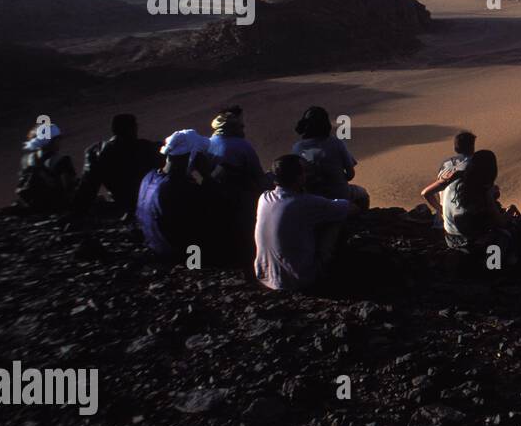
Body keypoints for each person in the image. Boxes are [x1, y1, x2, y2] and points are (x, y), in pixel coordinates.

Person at [254, 154, 356, 291]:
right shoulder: (305, 203)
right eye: (305, 172)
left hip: (264, 276)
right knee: (335, 219)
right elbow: (349, 208)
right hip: (299, 281)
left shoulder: (264, 198)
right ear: (299, 177)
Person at [440, 149, 521, 264]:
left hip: (450, 237)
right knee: (505, 234)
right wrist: (511, 209)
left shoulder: (457, 177)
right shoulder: (482, 190)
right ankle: (493, 267)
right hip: (468, 241)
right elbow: (501, 222)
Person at [135, 130, 213, 261]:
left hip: (154, 244)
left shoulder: (149, 177)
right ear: (192, 156)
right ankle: (196, 263)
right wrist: (206, 176)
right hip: (177, 253)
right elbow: (206, 212)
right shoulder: (179, 187)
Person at [206, 106, 268, 263]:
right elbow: (257, 175)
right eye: (240, 125)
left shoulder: (208, 143)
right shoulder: (242, 145)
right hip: (241, 197)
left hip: (215, 196)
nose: (243, 128)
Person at [72, 114, 162, 217]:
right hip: (147, 205)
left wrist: (77, 213)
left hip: (121, 205)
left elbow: (87, 189)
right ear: (134, 128)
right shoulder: (147, 148)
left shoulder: (98, 152)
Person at [292, 106, 370, 209]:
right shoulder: (337, 143)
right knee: (363, 194)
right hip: (340, 195)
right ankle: (359, 217)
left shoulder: (297, 148)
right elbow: (351, 174)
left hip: (313, 198)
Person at [16, 122, 78, 213]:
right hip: (56, 206)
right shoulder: (62, 160)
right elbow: (69, 188)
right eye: (58, 139)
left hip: (33, 205)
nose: (60, 142)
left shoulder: (26, 159)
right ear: (50, 141)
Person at [419, 130, 477, 216]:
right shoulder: (474, 164)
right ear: (472, 146)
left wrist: (441, 210)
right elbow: (426, 193)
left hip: (444, 217)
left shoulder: (446, 163)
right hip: (462, 218)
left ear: (455, 148)